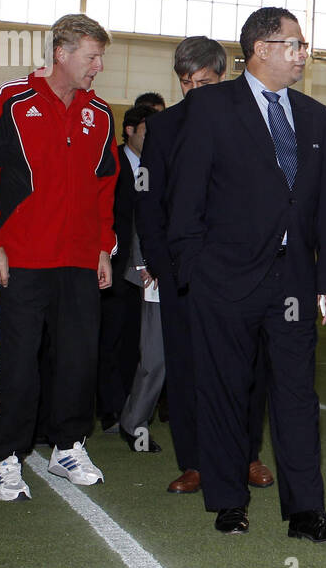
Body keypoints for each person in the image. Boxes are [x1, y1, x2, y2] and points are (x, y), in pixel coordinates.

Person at [167, 7, 326, 542]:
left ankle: (305, 511)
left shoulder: (315, 116)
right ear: (262, 48)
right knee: (224, 391)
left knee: (296, 396)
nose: (302, 53)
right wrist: (194, 271)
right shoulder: (211, 106)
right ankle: (228, 501)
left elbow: (324, 205)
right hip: (223, 279)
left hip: (293, 282)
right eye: (294, 44)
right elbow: (186, 199)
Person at [0, 13, 120, 501]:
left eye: (100, 57)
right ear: (62, 54)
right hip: (21, 260)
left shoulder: (100, 113)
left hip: (78, 261)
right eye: (92, 56)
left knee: (78, 360)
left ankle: (67, 445)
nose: (98, 66)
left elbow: (105, 187)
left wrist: (103, 248)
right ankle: (6, 455)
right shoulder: (10, 100)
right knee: (17, 362)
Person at [136, 37, 275, 493]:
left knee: (247, 367)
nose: (195, 91)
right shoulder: (164, 127)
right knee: (186, 367)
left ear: (225, 75)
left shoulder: (251, 118)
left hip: (240, 271)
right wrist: (161, 263)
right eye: (186, 83)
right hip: (182, 274)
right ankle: (194, 462)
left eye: (206, 82)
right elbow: (150, 203)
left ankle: (247, 456)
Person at [113, 104, 163, 452]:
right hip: (158, 270)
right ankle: (134, 424)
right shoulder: (149, 169)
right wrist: (143, 262)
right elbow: (144, 216)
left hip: (200, 270)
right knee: (155, 355)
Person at [96, 105, 146, 433]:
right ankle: (109, 409)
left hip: (146, 273)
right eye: (146, 130)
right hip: (114, 265)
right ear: (128, 130)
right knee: (108, 340)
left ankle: (130, 408)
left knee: (136, 343)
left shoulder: (160, 167)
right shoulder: (110, 160)